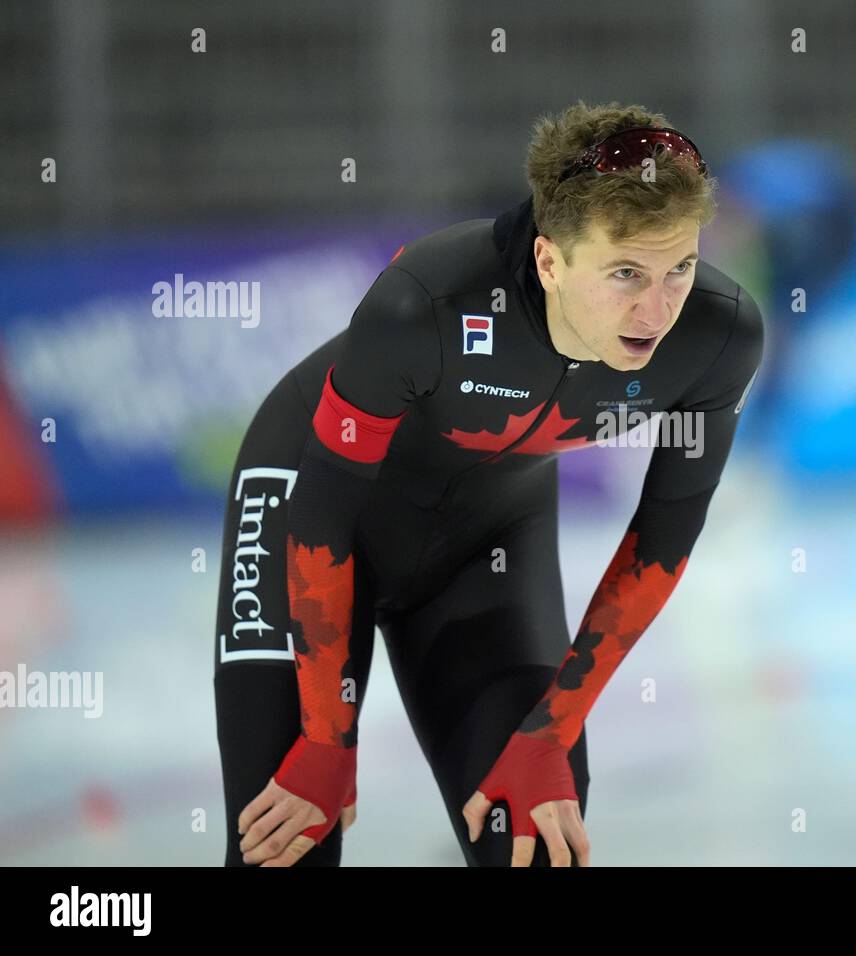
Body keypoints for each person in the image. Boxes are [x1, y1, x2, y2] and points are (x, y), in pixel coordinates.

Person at [213, 100, 764, 866]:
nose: (657, 308)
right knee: (285, 847)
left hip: (487, 548)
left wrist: (551, 732)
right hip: (311, 510)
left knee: (533, 844)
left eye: (681, 269)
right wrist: (324, 736)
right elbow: (320, 518)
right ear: (549, 261)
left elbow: (664, 539)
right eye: (625, 273)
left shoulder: (718, 338)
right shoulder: (427, 304)